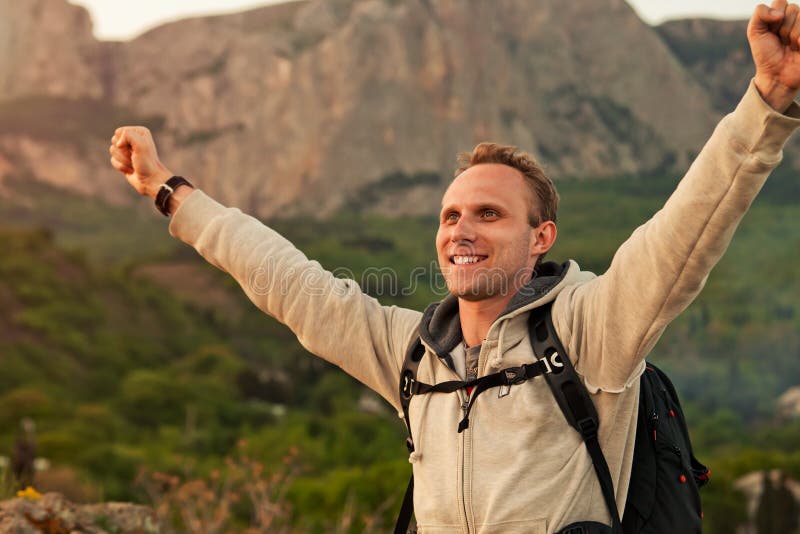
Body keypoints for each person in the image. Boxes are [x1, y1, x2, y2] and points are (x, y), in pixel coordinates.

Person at [109, 3, 800, 532]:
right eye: (449, 216)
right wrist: (168, 190)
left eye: (489, 214)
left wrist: (766, 102)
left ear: (541, 237)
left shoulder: (593, 331)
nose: (460, 230)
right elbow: (285, 279)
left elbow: (687, 231)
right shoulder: (411, 355)